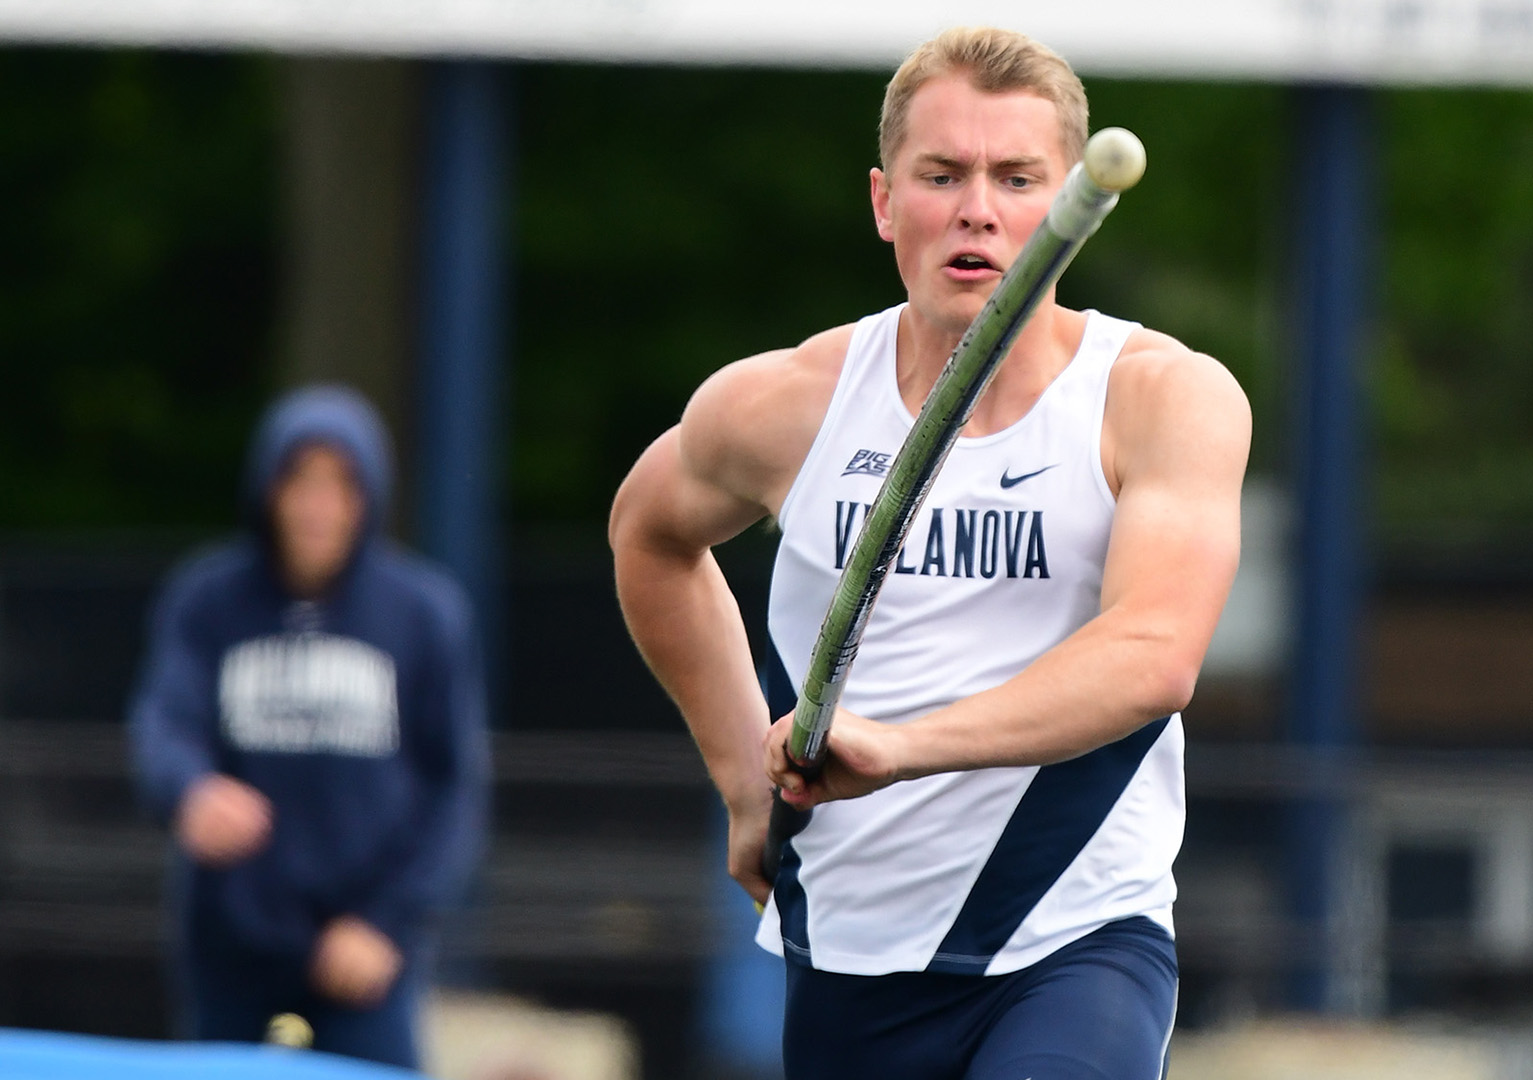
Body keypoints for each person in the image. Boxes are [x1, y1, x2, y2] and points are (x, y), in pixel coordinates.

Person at [610, 26, 1249, 1080]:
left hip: (1073, 935)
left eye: (1016, 178)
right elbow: (649, 534)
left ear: (1069, 207)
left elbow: (1153, 654)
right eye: (942, 175)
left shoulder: (1159, 398)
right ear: (882, 201)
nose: (977, 210)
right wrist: (739, 780)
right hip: (849, 945)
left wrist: (904, 746)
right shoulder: (787, 406)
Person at [128, 385, 490, 1069]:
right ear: (269, 491)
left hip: (364, 954)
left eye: (339, 487)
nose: (317, 507)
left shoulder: (423, 614)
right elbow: (163, 722)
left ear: (367, 500)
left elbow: (454, 791)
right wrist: (191, 791)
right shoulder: (207, 601)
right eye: (301, 482)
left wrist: (387, 925)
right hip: (234, 945)